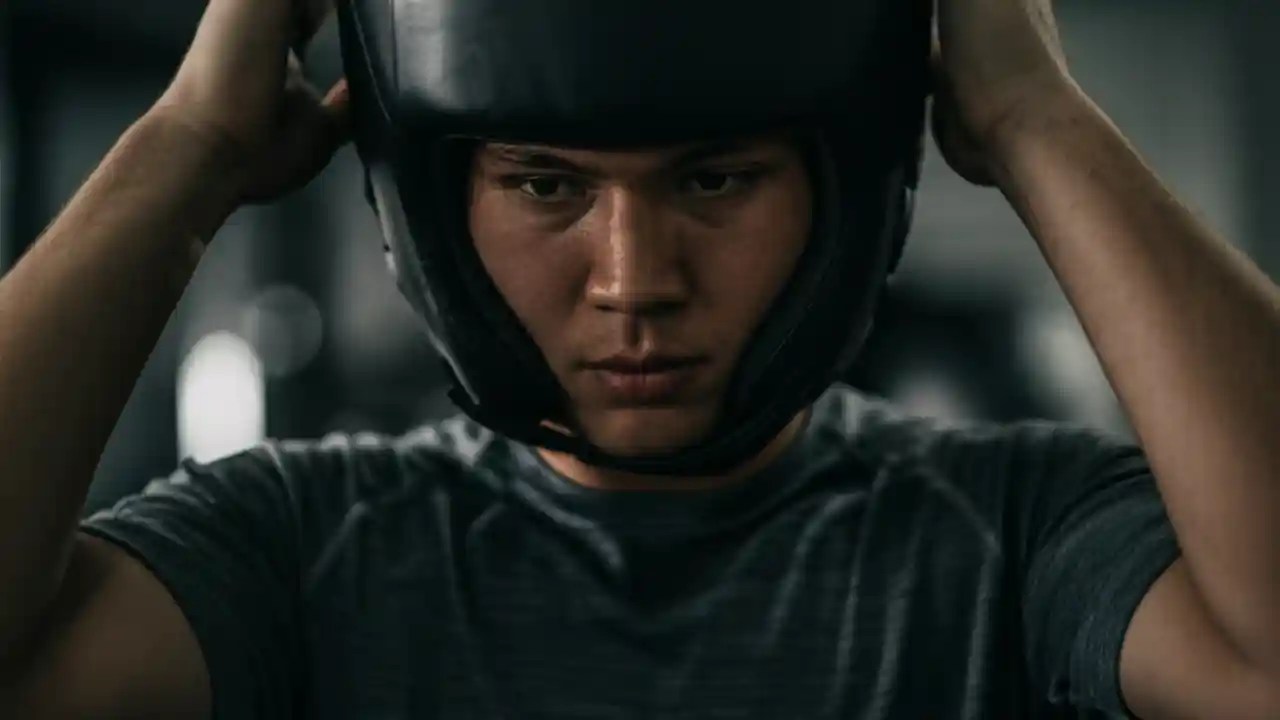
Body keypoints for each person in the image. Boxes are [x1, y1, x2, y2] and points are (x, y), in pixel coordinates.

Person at [0, 0, 1278, 718]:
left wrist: (1035, 117)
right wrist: (186, 145)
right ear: (437, 209)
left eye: (715, 179)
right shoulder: (296, 545)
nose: (633, 280)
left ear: (843, 189)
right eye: (546, 185)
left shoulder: (1014, 533)